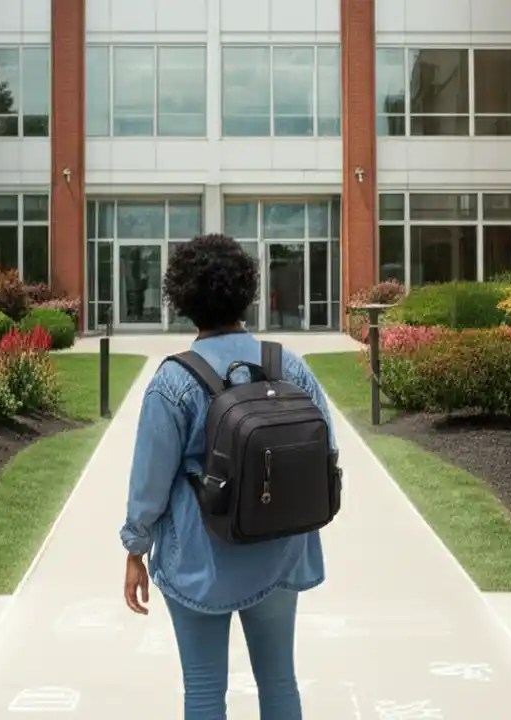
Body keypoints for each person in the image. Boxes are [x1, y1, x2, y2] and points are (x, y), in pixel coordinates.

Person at [120, 233, 337, 720]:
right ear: (247, 291)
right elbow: (328, 451)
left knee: (202, 691)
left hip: (200, 558)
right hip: (280, 547)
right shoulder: (289, 366)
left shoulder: (173, 381)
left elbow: (149, 482)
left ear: (182, 302)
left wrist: (135, 547)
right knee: (280, 682)